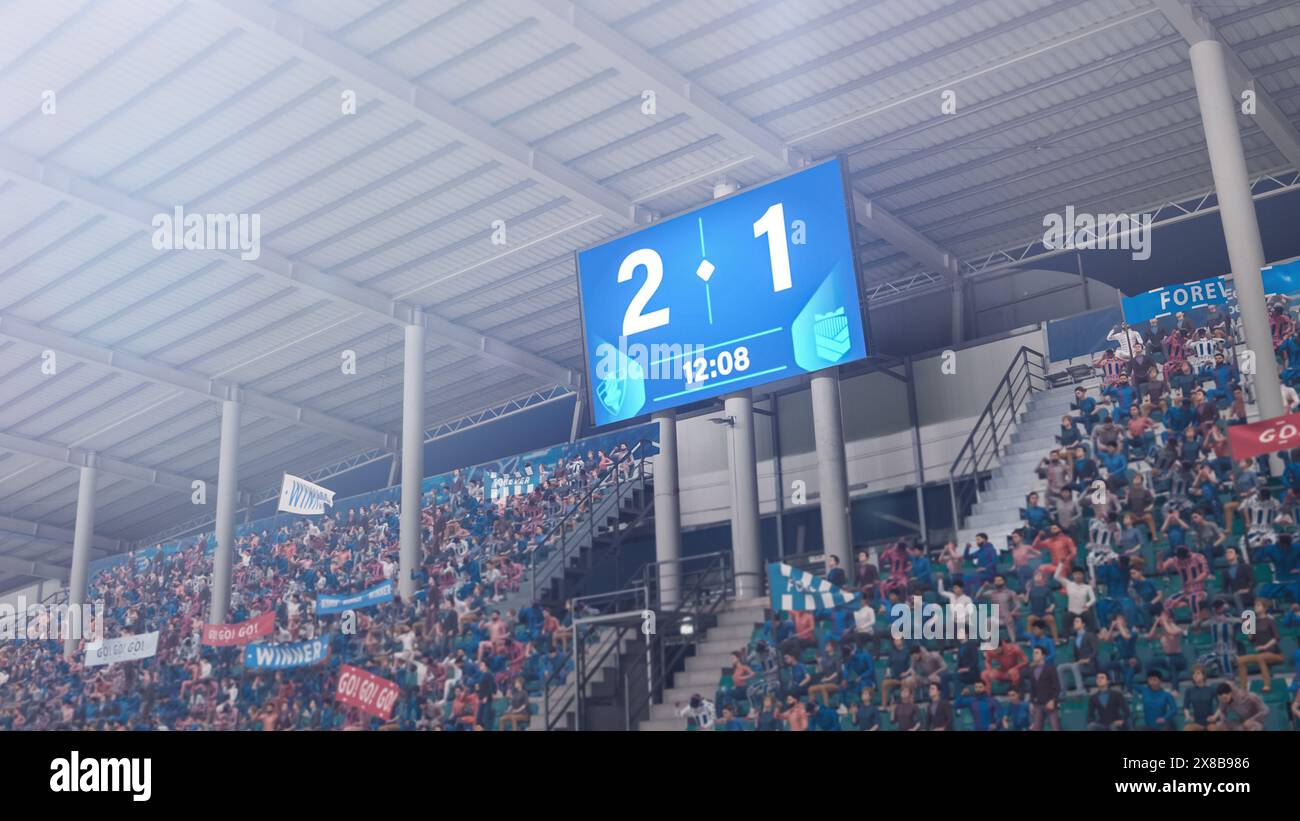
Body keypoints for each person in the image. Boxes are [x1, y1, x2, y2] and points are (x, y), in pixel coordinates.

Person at [1236, 599, 1285, 692]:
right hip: (1260, 654)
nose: (1255, 607)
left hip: (1275, 653)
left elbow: (1276, 638)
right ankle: (1243, 688)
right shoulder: (1254, 622)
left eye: (1258, 605)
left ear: (1265, 608)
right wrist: (1248, 631)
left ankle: (1267, 685)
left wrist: (1265, 646)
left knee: (1260, 658)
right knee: (1240, 660)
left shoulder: (1270, 621)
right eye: (1255, 605)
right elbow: (1252, 640)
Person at [1027, 646, 1061, 731]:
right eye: (1033, 653)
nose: (1034, 655)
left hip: (1050, 702)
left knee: (1055, 728)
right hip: (1038, 703)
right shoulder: (1031, 670)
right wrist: (1031, 702)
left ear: (1043, 655)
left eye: (1037, 653)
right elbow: (1032, 688)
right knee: (1037, 728)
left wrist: (1053, 700)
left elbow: (1057, 686)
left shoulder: (1051, 668)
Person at [1182, 666, 1218, 731]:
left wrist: (1215, 716)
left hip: (1210, 722)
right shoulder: (1189, 690)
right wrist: (1188, 716)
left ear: (1203, 676)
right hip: (1197, 722)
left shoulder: (1211, 689)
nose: (1195, 675)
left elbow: (1220, 704)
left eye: (1198, 673)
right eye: (1193, 674)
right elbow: (1185, 706)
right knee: (1187, 728)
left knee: (1214, 729)